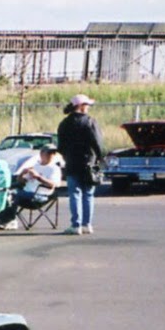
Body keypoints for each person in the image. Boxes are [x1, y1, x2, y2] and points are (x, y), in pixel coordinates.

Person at [56, 93, 105, 235]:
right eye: (87, 105)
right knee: (88, 194)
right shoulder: (90, 122)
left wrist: (67, 156)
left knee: (75, 194)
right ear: (80, 106)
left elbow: (61, 146)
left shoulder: (64, 123)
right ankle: (87, 224)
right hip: (89, 162)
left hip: (72, 162)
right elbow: (98, 143)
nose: (88, 107)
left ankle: (75, 224)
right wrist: (100, 157)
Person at [0, 144, 65, 228]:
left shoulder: (54, 169)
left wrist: (38, 177)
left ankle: (10, 221)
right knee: (4, 193)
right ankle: (3, 220)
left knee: (12, 196)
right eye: (49, 153)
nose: (51, 156)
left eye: (53, 154)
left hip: (41, 196)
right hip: (27, 193)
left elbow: (53, 184)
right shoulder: (35, 166)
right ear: (41, 154)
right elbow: (21, 181)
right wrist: (22, 173)